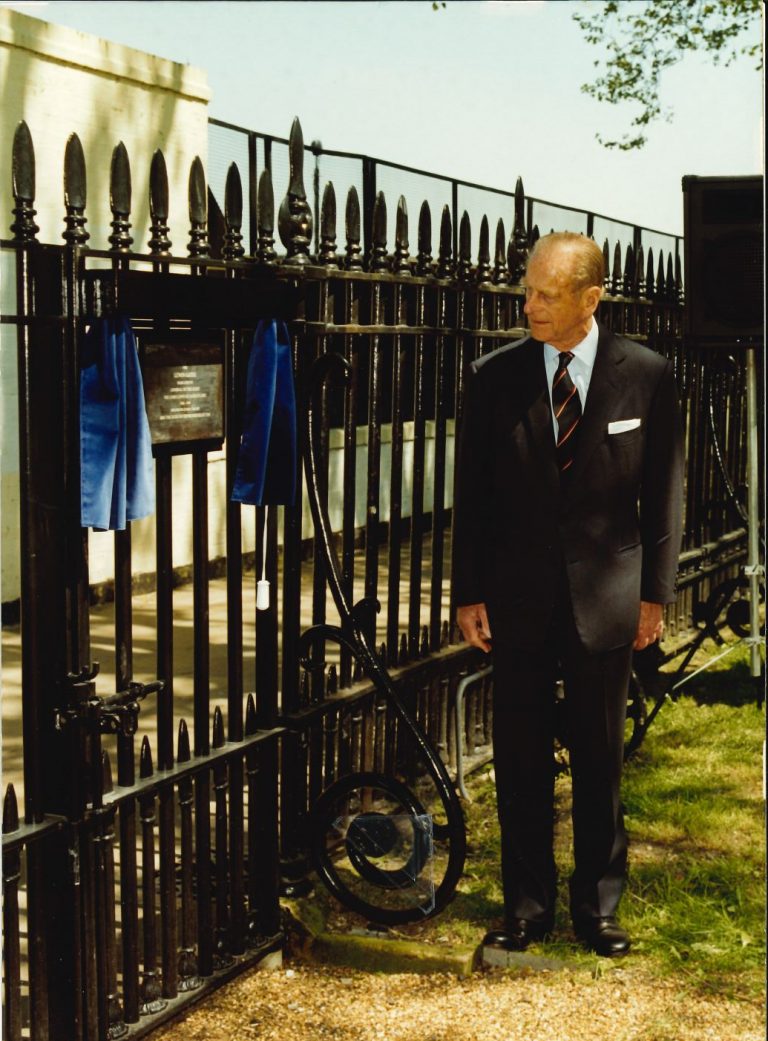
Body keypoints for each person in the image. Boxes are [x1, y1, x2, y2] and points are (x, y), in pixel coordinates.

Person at [453, 231, 684, 957]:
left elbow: (665, 494)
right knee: (519, 760)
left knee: (599, 759)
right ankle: (525, 905)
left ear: (591, 298)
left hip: (609, 600)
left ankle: (598, 907)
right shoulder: (493, 378)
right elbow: (472, 498)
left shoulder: (646, 375)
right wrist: (469, 592)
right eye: (527, 291)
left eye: (546, 295)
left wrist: (655, 594)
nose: (530, 306)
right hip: (517, 602)